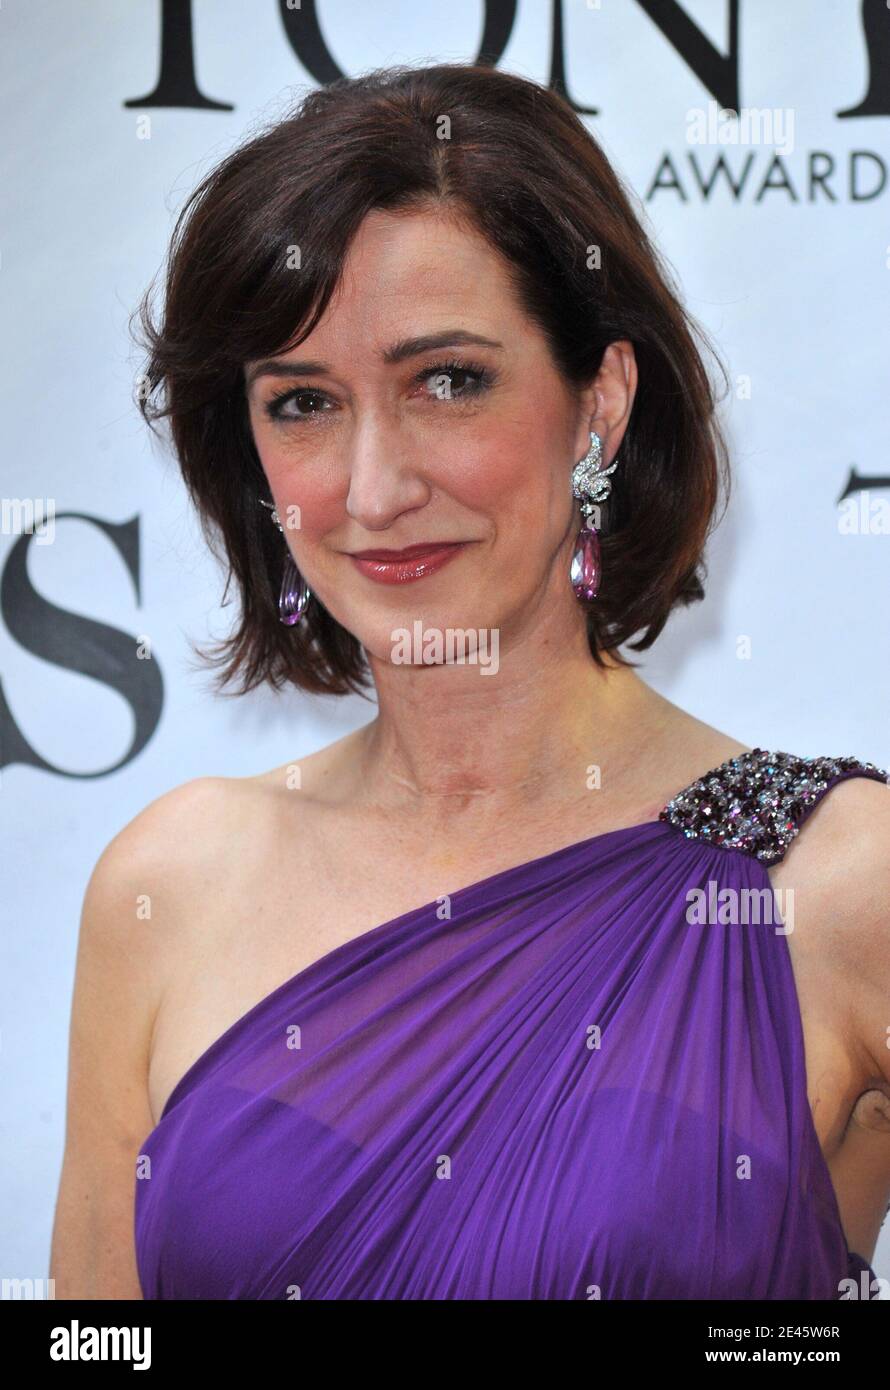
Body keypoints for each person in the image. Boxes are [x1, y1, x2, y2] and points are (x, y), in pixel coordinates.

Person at [50, 63, 890, 1300]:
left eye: (447, 381)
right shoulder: (169, 887)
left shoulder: (836, 882)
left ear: (596, 405)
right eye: (302, 403)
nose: (373, 486)